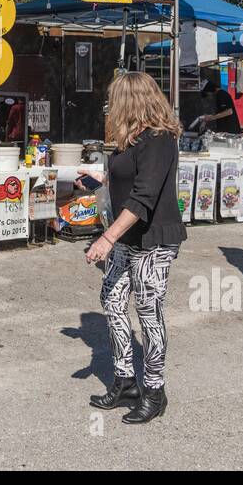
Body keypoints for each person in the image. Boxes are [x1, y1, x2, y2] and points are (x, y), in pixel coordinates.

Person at [85, 72, 186, 425]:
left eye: (115, 99)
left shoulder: (159, 139)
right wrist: (98, 180)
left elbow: (145, 196)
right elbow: (127, 180)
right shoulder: (131, 138)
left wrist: (106, 238)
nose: (110, 106)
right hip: (128, 236)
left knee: (147, 308)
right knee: (111, 300)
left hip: (154, 238)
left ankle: (155, 391)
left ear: (132, 100)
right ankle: (125, 380)